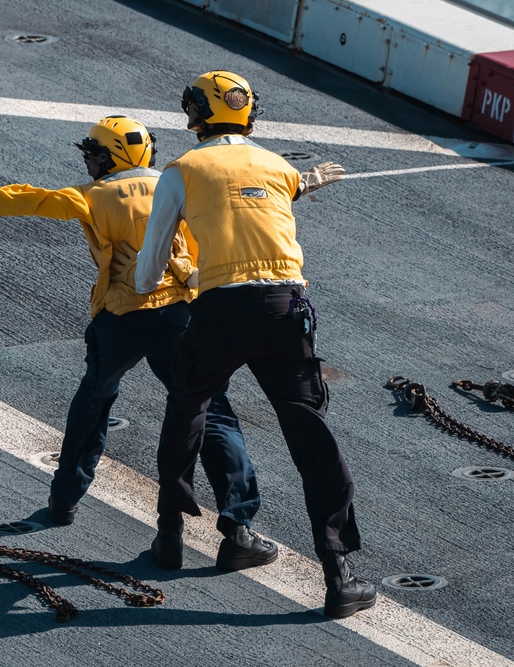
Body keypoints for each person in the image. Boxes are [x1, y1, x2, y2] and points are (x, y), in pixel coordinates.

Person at [0, 115, 277, 572]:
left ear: (110, 157)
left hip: (119, 318)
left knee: (95, 399)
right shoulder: (183, 181)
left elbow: (30, 199)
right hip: (179, 315)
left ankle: (64, 500)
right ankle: (236, 530)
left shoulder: (93, 195)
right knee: (210, 412)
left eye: (93, 154)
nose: (89, 161)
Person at [133, 70, 376, 619]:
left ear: (194, 113)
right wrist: (306, 180)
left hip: (219, 312)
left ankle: (169, 539)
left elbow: (150, 269)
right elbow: (277, 192)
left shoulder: (181, 170)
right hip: (284, 311)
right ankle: (339, 577)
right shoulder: (276, 165)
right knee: (312, 436)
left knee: (187, 413)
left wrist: (173, 280)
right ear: (249, 113)